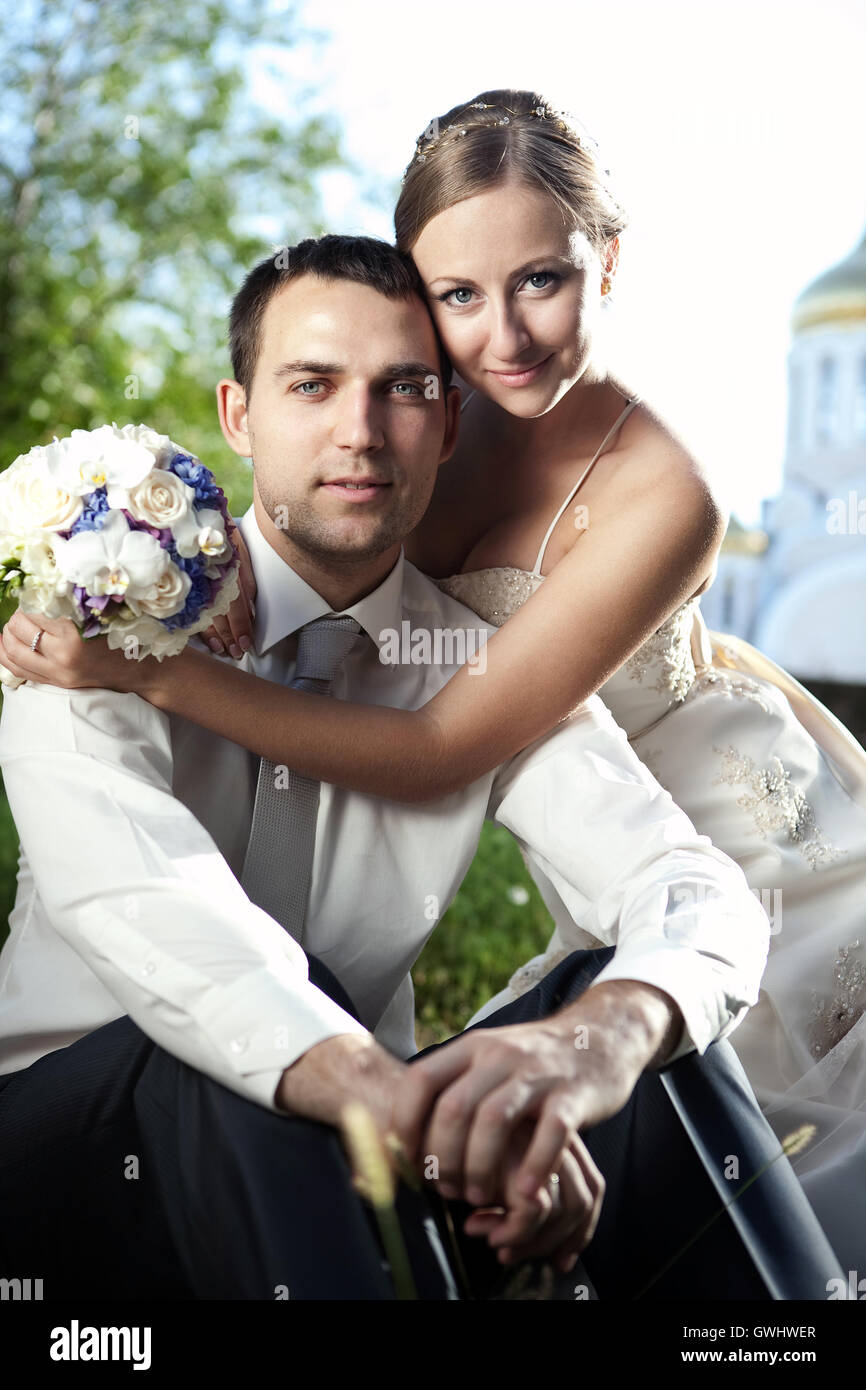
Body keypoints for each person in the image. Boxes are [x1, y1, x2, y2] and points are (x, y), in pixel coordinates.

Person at [0, 234, 841, 1301]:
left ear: (446, 424)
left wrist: (590, 1047)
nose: (358, 432)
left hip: (350, 1166)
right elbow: (149, 901)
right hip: (65, 1154)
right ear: (237, 416)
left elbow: (692, 886)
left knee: (624, 1014)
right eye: (311, 385)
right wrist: (371, 1089)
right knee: (225, 1048)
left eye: (400, 389)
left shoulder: (472, 672)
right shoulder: (101, 613)